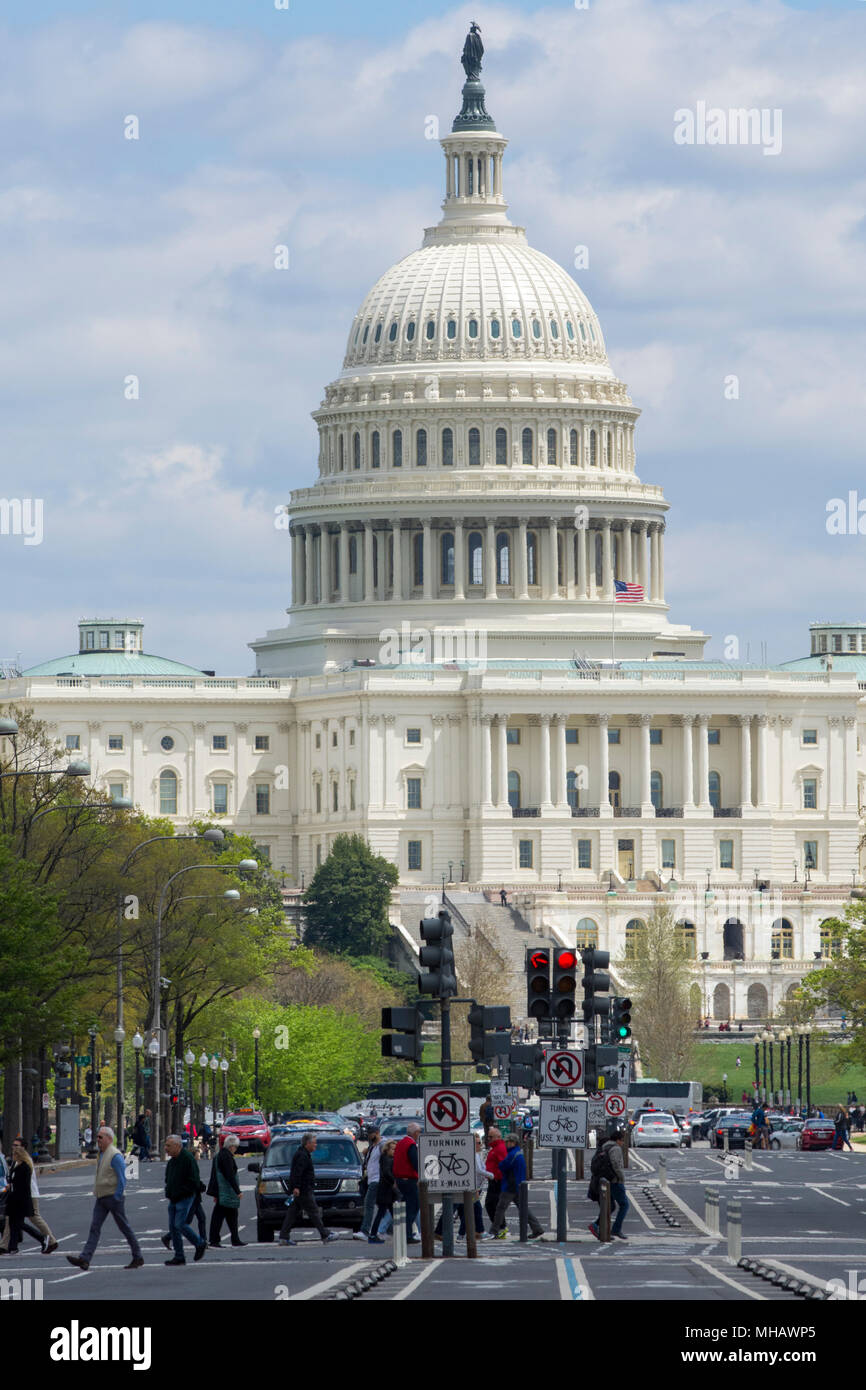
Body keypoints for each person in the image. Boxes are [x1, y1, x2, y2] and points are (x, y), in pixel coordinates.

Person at [66, 1126, 144, 1270]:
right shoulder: (102, 1154)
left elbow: (122, 1178)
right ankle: (85, 1258)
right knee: (94, 1228)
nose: (98, 1140)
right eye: (97, 1137)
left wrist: (117, 1196)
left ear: (109, 1138)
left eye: (101, 1137)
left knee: (124, 1227)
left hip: (113, 1197)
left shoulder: (115, 1155)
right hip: (101, 1197)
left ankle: (138, 1256)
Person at [278, 1133, 340, 1246]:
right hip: (303, 1190)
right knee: (314, 1212)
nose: (316, 1145)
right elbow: (298, 1172)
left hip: (301, 1189)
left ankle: (283, 1236)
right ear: (308, 1143)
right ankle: (325, 1234)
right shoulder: (302, 1155)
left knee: (292, 1213)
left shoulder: (303, 1154)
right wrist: (296, 1187)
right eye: (314, 1143)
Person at [162, 1134, 207, 1265]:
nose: (166, 1148)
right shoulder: (172, 1161)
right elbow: (168, 1178)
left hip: (184, 1197)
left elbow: (193, 1180)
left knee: (180, 1224)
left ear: (177, 1146)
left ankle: (199, 1243)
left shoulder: (187, 1159)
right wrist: (169, 1191)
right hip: (173, 1197)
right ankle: (179, 1255)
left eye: (168, 1146)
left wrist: (182, 1192)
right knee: (173, 1227)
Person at [491, 1134, 544, 1240]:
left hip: (510, 1186)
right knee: (523, 1209)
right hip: (519, 1185)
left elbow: (503, 1166)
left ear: (513, 1142)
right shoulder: (517, 1153)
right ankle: (537, 1228)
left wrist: (499, 1163)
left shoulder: (512, 1154)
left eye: (507, 1142)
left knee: (500, 1209)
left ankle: (494, 1231)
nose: (505, 1144)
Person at [0, 1141, 44, 1255]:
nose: (13, 1150)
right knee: (13, 1224)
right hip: (13, 1199)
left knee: (19, 1224)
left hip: (21, 1200)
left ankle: (42, 1238)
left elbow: (23, 1185)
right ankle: (11, 1247)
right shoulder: (15, 1165)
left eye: (15, 1147)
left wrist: (12, 1185)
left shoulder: (25, 1166)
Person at [588, 1126, 629, 1241]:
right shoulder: (615, 1148)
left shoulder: (604, 1147)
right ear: (618, 1140)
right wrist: (621, 1177)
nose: (623, 1143)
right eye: (622, 1140)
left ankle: (597, 1227)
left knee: (610, 1206)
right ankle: (615, 1229)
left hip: (605, 1180)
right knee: (624, 1205)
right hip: (614, 1181)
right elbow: (616, 1164)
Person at [205, 1132, 244, 1246]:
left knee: (231, 1215)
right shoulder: (226, 1156)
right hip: (224, 1191)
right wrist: (238, 1191)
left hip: (220, 1190)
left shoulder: (220, 1155)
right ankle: (215, 1239)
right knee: (220, 1215)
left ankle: (234, 1238)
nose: (236, 1149)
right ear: (231, 1146)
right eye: (235, 1147)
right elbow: (229, 1175)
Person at [393, 1123, 422, 1245]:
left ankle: (406, 1233)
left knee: (406, 1207)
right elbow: (415, 1162)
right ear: (415, 1133)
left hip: (400, 1179)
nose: (419, 1134)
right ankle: (408, 1234)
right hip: (409, 1180)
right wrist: (422, 1175)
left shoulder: (400, 1143)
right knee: (413, 1206)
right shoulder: (410, 1145)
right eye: (419, 1132)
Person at [367, 1140, 397, 1243]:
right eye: (393, 1149)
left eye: (395, 1149)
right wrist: (394, 1181)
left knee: (392, 1213)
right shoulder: (387, 1159)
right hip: (386, 1191)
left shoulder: (387, 1158)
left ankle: (403, 1233)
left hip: (387, 1191)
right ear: (387, 1149)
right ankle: (373, 1235)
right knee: (383, 1213)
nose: (394, 1151)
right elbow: (387, 1172)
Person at [354, 1126, 381, 1241]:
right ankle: (381, 1230)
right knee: (384, 1207)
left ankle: (365, 1230)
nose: (369, 1136)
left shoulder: (381, 1146)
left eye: (371, 1134)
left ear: (377, 1133)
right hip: (370, 1179)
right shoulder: (372, 1147)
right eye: (368, 1134)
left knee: (369, 1203)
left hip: (377, 1179)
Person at [484, 1127, 507, 1232]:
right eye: (488, 1136)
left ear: (498, 1137)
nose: (489, 1139)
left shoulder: (500, 1148)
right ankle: (499, 1227)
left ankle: (500, 1227)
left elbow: (504, 1165)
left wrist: (497, 1176)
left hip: (497, 1181)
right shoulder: (494, 1148)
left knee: (492, 1205)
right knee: (493, 1205)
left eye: (491, 1137)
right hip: (493, 1181)